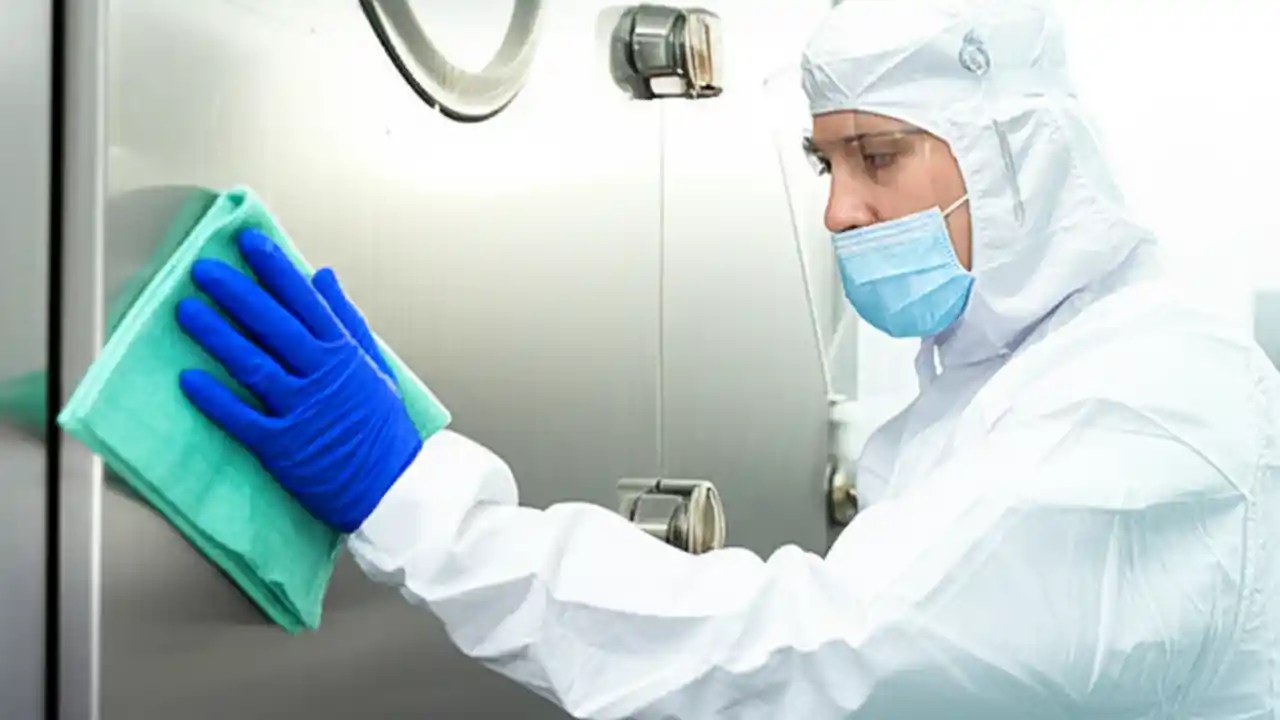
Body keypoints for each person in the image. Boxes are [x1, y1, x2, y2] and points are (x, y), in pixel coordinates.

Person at [174, 0, 1280, 717]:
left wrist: (419, 503)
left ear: (1014, 158)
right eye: (825, 164)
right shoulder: (998, 385)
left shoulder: (1144, 405)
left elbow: (825, 654)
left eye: (877, 156)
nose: (840, 211)